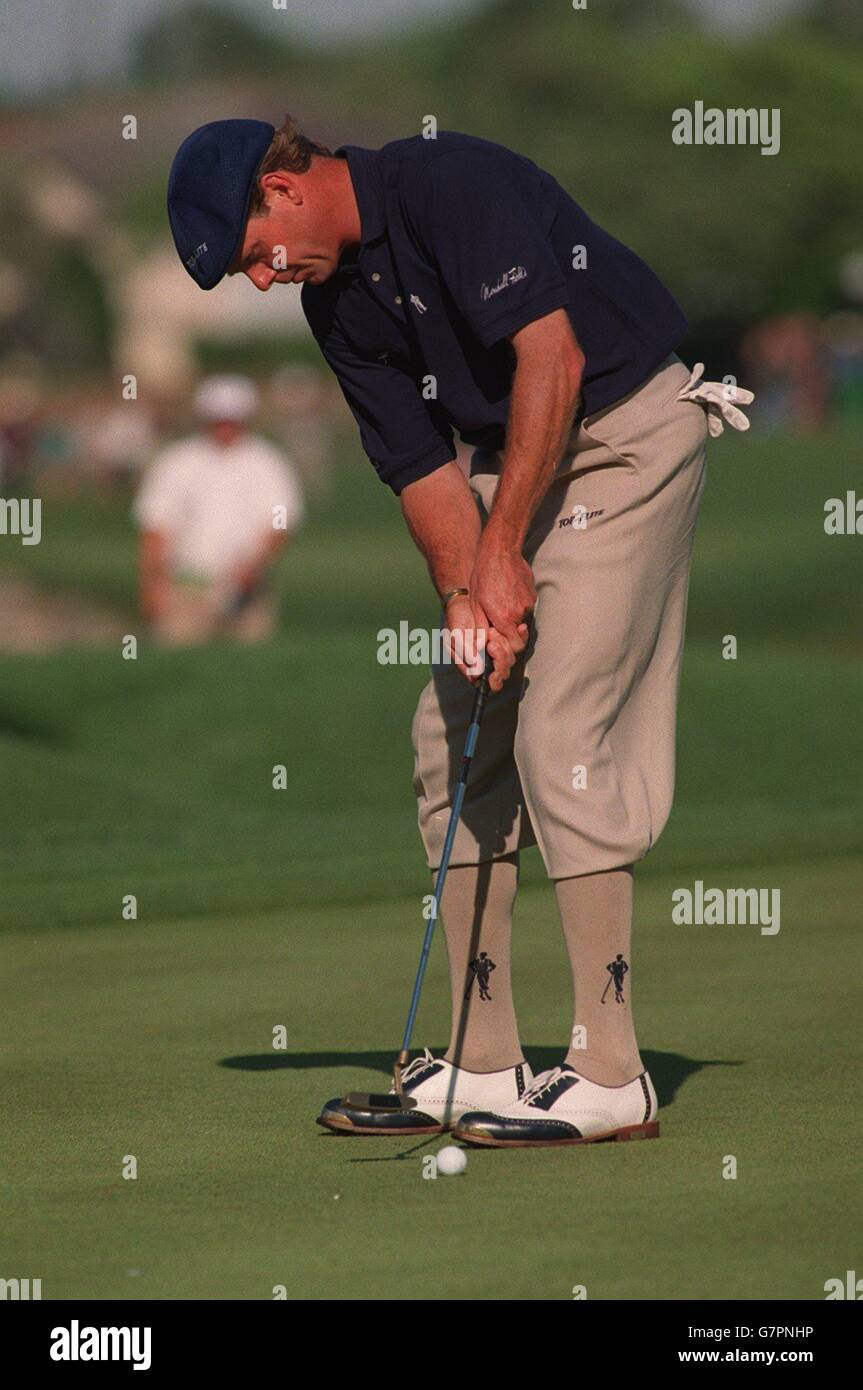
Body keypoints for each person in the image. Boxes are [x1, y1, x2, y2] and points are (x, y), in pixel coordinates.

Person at [167, 116, 753, 1146]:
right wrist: (464, 594)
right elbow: (421, 471)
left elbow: (552, 360)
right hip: (509, 455)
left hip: (623, 432)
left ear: (282, 185)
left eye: (252, 253)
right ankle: (483, 1061)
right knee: (451, 737)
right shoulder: (334, 303)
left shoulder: (451, 186)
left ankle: (611, 1071)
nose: (261, 279)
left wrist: (504, 555)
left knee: (559, 731)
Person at [134, 374, 303, 645]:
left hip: (247, 588)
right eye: (219, 418)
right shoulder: (177, 461)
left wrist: (253, 566)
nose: (226, 426)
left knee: (252, 672)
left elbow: (280, 522)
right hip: (186, 586)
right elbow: (156, 524)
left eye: (233, 418)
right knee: (179, 666)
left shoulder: (267, 462)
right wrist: (153, 583)